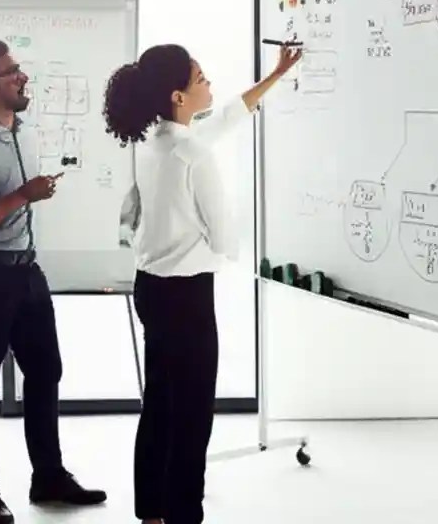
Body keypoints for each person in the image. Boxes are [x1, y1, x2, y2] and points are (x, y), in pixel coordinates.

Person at [103, 42, 303, 524]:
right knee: (192, 416)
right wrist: (216, 250)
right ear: (178, 95)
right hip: (186, 297)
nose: (209, 82)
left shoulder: (154, 140)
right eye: (200, 79)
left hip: (150, 287)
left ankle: (152, 510)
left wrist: (274, 77)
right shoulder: (192, 153)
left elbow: (225, 119)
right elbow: (224, 235)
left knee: (160, 408)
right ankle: (183, 514)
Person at [0, 39, 107, 523]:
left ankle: (47, 475)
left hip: (25, 269)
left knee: (46, 370)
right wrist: (21, 196)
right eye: (11, 72)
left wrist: (26, 199)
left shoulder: (22, 131)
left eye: (19, 68)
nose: (22, 76)